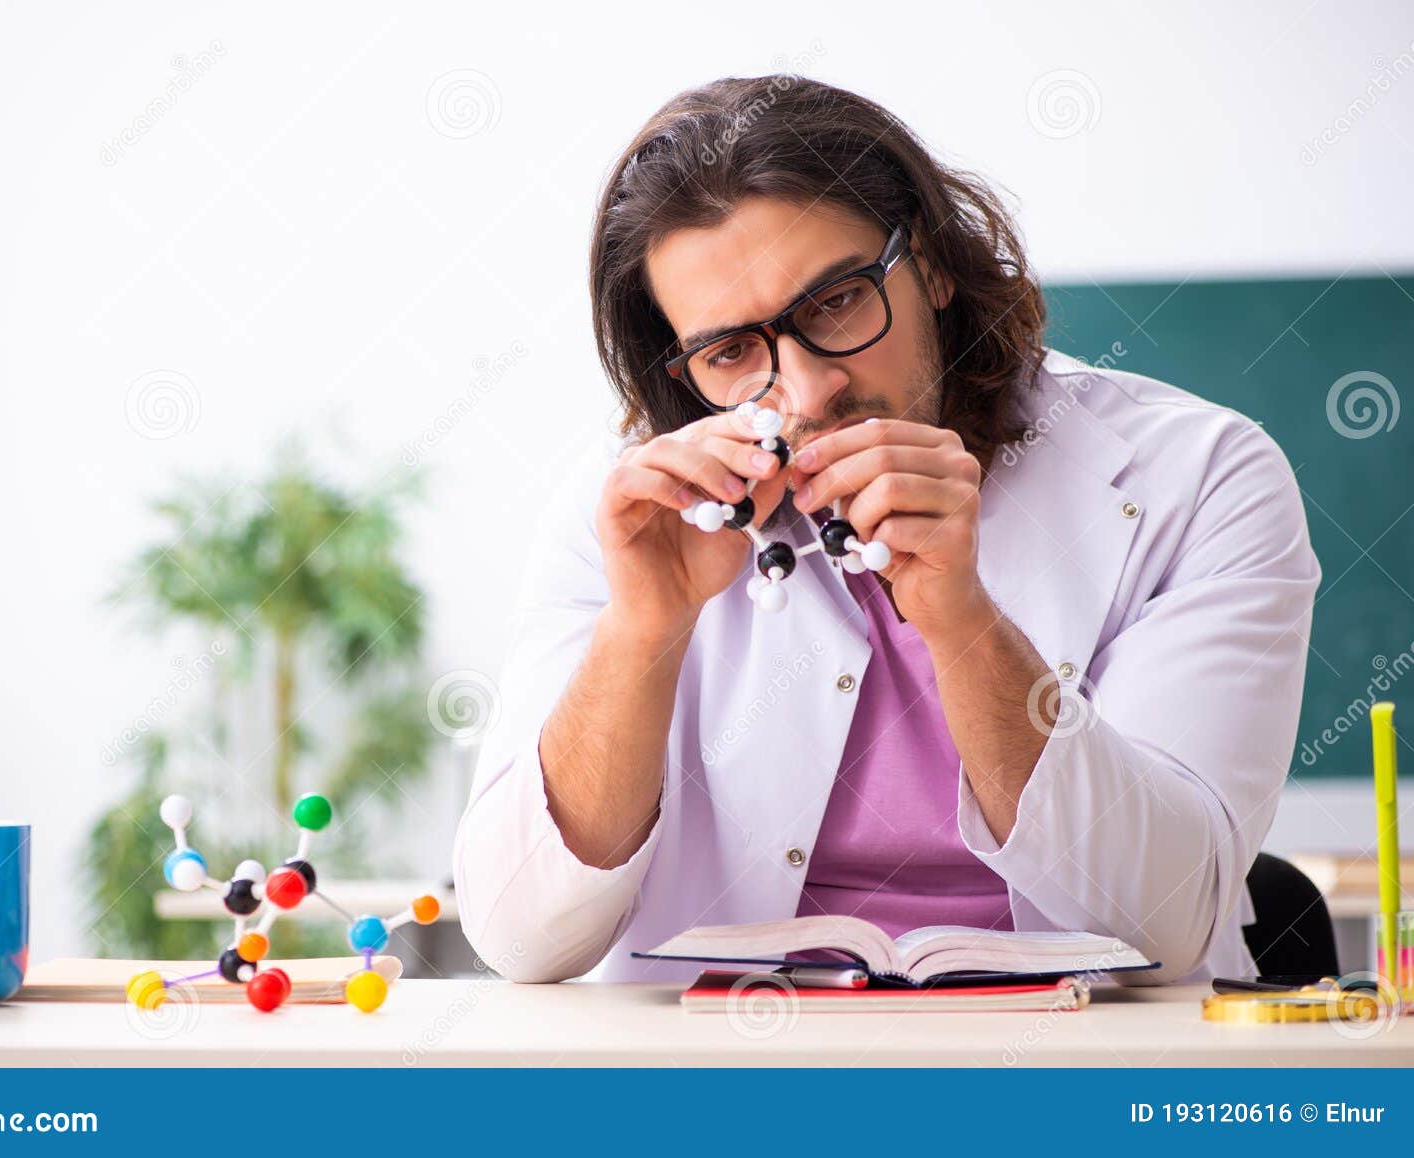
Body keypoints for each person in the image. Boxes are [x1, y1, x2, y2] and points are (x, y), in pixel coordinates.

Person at [451, 76, 1320, 984]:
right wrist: (641, 632)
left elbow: (1164, 922)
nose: (807, 390)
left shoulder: (1204, 477)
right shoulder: (630, 512)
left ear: (934, 261)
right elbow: (522, 939)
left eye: (835, 302)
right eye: (730, 352)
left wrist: (964, 621)